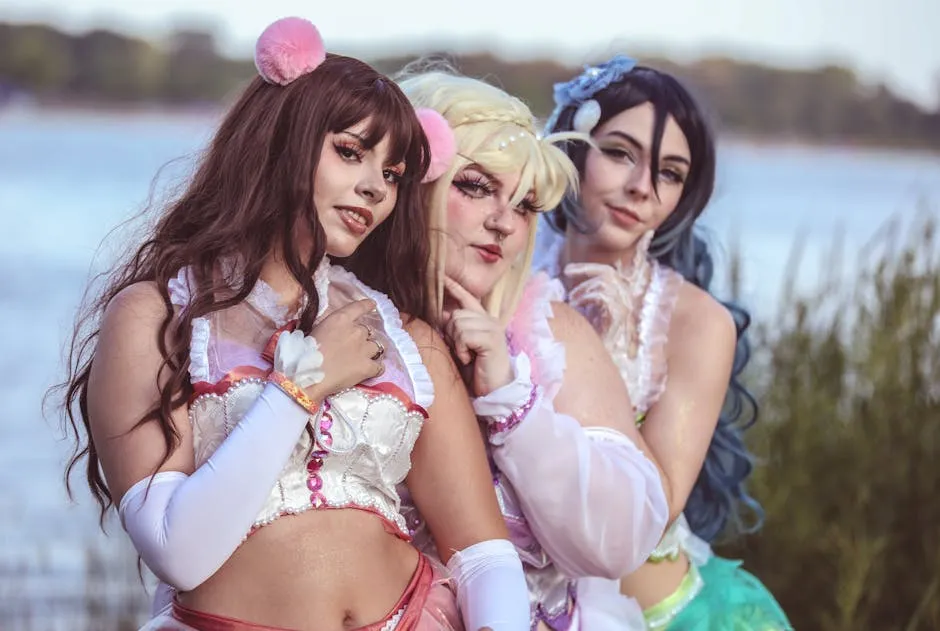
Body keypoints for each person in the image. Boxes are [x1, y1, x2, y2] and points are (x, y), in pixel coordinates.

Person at [55, 17, 532, 631]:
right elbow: (178, 550)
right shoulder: (157, 317)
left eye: (391, 175)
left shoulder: (406, 337)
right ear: (281, 139)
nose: (372, 190)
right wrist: (298, 391)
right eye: (350, 152)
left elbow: (484, 554)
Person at [396, 66, 670, 630]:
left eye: (522, 205)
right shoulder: (341, 321)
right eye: (474, 187)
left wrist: (511, 404)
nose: (502, 222)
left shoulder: (549, 333)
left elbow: (624, 539)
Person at [536, 55, 793, 629]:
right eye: (621, 153)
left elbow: (649, 514)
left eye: (670, 172)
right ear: (572, 144)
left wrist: (598, 351)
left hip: (664, 616)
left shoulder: (698, 323)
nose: (642, 188)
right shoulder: (510, 275)